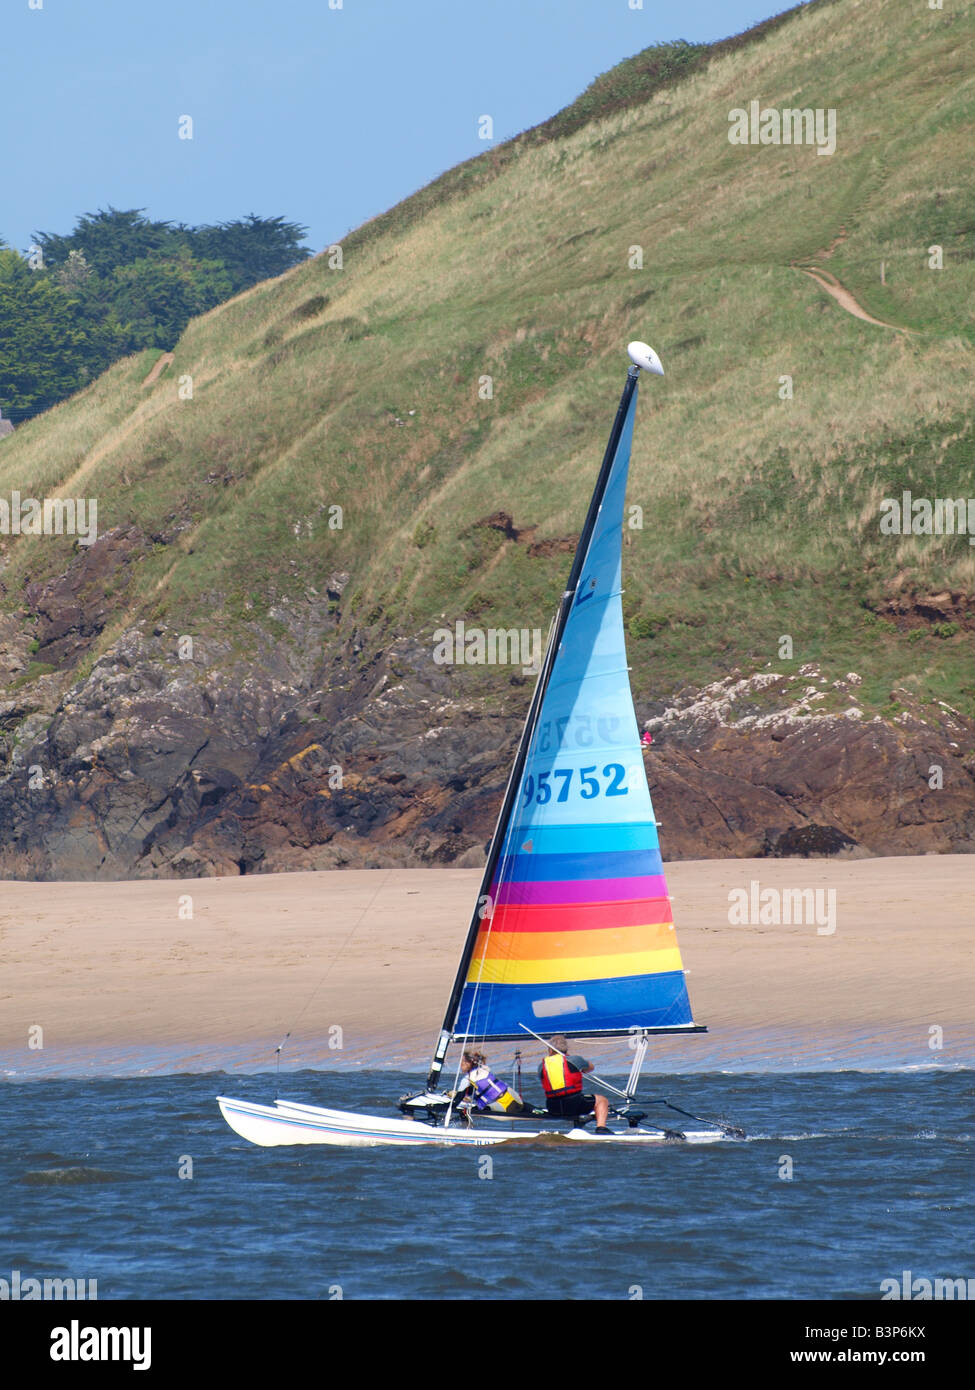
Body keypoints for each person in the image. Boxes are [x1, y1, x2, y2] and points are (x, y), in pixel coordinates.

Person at [538, 1034, 612, 1133]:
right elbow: (591, 1067)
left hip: (553, 1107)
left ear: (550, 1050)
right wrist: (579, 1068)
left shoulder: (541, 1066)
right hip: (574, 1105)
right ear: (566, 1049)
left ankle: (580, 1123)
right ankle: (601, 1128)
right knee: (602, 1100)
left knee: (568, 1098)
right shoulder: (575, 1060)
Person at [451, 1050, 535, 1116]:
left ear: (467, 1063)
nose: (460, 1065)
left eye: (461, 1063)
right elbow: (479, 1088)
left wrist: (444, 1107)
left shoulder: (467, 1079)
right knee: (519, 1105)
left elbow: (457, 1100)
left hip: (504, 1109)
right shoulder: (484, 1069)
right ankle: (536, 1110)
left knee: (465, 1112)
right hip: (518, 1102)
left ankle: (465, 1129)